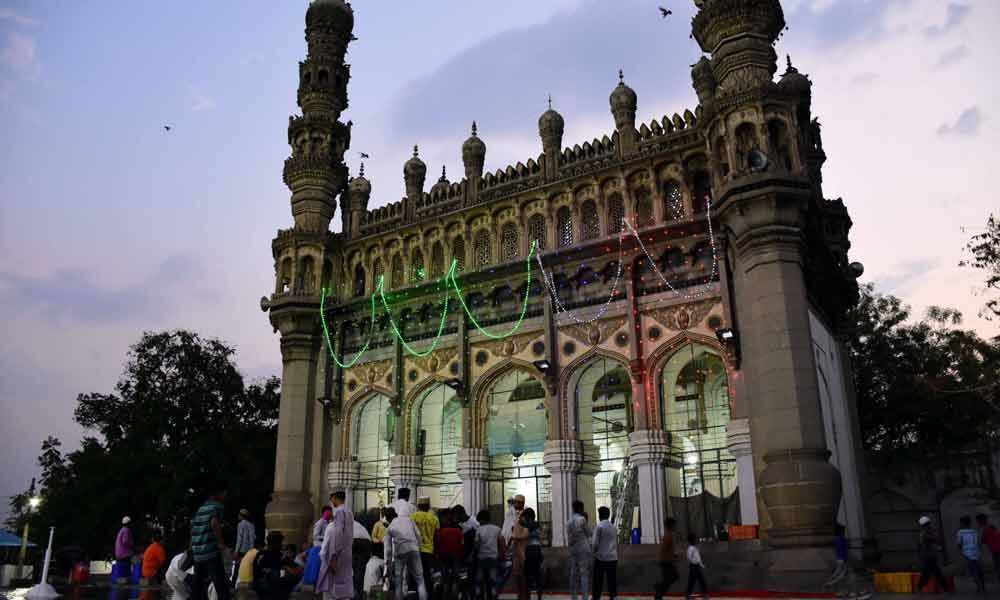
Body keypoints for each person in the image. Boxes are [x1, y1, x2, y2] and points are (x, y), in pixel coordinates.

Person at [191, 485, 230, 600]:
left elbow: (192, 528)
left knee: (198, 584)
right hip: (210, 550)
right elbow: (214, 523)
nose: (225, 496)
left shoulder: (201, 509)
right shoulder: (216, 507)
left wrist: (192, 546)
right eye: (223, 493)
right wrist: (221, 542)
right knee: (220, 583)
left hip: (198, 552)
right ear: (216, 495)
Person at [317, 490, 355, 600]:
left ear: (335, 498)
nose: (331, 501)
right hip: (347, 551)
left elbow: (338, 533)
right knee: (345, 582)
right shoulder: (349, 511)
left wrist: (334, 554)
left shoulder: (339, 511)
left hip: (339, 552)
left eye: (331, 499)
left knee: (335, 584)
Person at [385, 506, 428, 600]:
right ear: (395, 514)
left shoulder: (389, 527)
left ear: (388, 518)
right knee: (420, 579)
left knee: (398, 581)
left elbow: (388, 550)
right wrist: (418, 548)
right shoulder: (409, 520)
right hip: (414, 549)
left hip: (400, 552)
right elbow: (418, 535)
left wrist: (388, 564)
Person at [252, 531, 303, 600]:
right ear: (275, 543)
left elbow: (298, 568)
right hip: (271, 590)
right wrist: (285, 569)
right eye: (280, 542)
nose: (281, 545)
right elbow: (299, 570)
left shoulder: (261, 554)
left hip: (262, 589)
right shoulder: (278, 556)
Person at [474, 510, 505, 600]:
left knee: (480, 580)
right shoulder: (497, 529)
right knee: (492, 580)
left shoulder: (479, 530)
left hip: (481, 558)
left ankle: (480, 595)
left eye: (479, 521)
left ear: (481, 519)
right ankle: (493, 594)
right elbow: (501, 543)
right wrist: (502, 556)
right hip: (493, 558)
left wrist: (474, 554)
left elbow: (476, 545)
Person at [566, 500, 592, 600]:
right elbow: (589, 533)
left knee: (573, 574)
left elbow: (569, 537)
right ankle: (584, 597)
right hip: (583, 549)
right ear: (581, 508)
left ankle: (574, 596)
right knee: (584, 574)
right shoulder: (582, 519)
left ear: (573, 508)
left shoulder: (568, 522)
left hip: (573, 549)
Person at [412, 497, 439, 590]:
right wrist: (436, 553)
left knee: (417, 576)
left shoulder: (413, 516)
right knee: (427, 575)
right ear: (428, 506)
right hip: (429, 551)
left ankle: (418, 593)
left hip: (416, 550)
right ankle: (428, 593)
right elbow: (436, 537)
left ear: (418, 506)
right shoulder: (434, 519)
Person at [916, 515, 948, 594]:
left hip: (930, 556)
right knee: (932, 573)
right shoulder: (924, 533)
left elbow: (934, 541)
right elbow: (931, 540)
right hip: (928, 556)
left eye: (928, 524)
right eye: (927, 524)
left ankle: (919, 588)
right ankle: (945, 588)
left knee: (931, 573)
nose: (929, 525)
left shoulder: (928, 532)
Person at [591, 506, 617, 600]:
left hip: (601, 558)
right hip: (613, 557)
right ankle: (613, 596)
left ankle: (596, 597)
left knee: (598, 580)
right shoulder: (613, 527)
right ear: (608, 515)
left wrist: (593, 553)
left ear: (600, 515)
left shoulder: (599, 526)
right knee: (612, 579)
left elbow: (595, 543)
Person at [304, 505, 333, 588]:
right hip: (319, 547)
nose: (330, 514)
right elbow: (315, 536)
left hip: (325, 547)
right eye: (328, 512)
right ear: (323, 513)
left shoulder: (329, 523)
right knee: (317, 568)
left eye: (330, 512)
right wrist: (325, 537)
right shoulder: (320, 523)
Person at [957, 515, 985, 593]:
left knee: (973, 571)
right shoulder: (974, 531)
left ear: (962, 523)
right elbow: (978, 543)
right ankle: (982, 587)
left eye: (961, 523)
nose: (960, 524)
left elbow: (959, 544)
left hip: (967, 554)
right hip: (976, 553)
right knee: (979, 570)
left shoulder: (960, 532)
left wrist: (961, 551)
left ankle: (980, 588)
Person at [520, 508, 544, 600]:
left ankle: (528, 597)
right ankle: (539, 597)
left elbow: (523, 537)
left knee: (527, 576)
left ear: (527, 516)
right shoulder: (537, 525)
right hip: (537, 549)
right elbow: (541, 537)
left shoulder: (525, 525)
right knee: (538, 575)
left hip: (529, 550)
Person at [654, 518, 680, 600]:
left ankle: (659, 590)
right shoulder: (668, 535)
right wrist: (670, 557)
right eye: (675, 525)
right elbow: (664, 549)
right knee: (671, 578)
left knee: (672, 577)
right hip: (666, 562)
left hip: (667, 561)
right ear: (671, 526)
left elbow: (667, 549)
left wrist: (674, 555)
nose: (676, 527)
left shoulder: (669, 535)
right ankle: (658, 591)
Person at [976, 513, 1000, 585]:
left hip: (996, 549)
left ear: (981, 521)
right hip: (995, 549)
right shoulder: (991, 527)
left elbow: (982, 541)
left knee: (997, 566)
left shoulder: (986, 529)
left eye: (978, 521)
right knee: (997, 565)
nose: (977, 523)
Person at [233, 509, 255, 585]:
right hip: (249, 551)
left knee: (237, 568)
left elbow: (239, 538)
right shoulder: (251, 525)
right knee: (247, 567)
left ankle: (233, 584)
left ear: (242, 516)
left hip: (241, 550)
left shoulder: (240, 524)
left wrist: (236, 551)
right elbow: (252, 539)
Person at [353, 517, 374, 600]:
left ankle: (355, 595)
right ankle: (359, 595)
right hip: (367, 544)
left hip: (355, 542)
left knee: (353, 572)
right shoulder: (358, 525)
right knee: (360, 573)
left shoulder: (341, 523)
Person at [824, 523, 849, 590]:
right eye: (843, 531)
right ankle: (829, 583)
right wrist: (845, 559)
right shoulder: (841, 539)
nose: (844, 532)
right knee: (841, 574)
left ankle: (829, 583)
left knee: (840, 573)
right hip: (842, 559)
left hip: (840, 559)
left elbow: (840, 549)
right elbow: (844, 550)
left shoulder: (837, 539)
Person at [685, 533, 708, 599]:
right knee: (695, 581)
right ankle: (688, 594)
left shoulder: (695, 548)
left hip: (696, 566)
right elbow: (689, 557)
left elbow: (698, 558)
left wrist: (701, 565)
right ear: (692, 540)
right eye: (695, 539)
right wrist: (695, 563)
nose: (696, 540)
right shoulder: (690, 548)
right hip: (694, 566)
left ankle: (704, 594)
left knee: (698, 580)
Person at [115, 516, 135, 583]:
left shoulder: (121, 530)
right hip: (124, 554)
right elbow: (125, 541)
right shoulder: (127, 530)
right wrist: (132, 546)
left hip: (118, 554)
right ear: (129, 523)